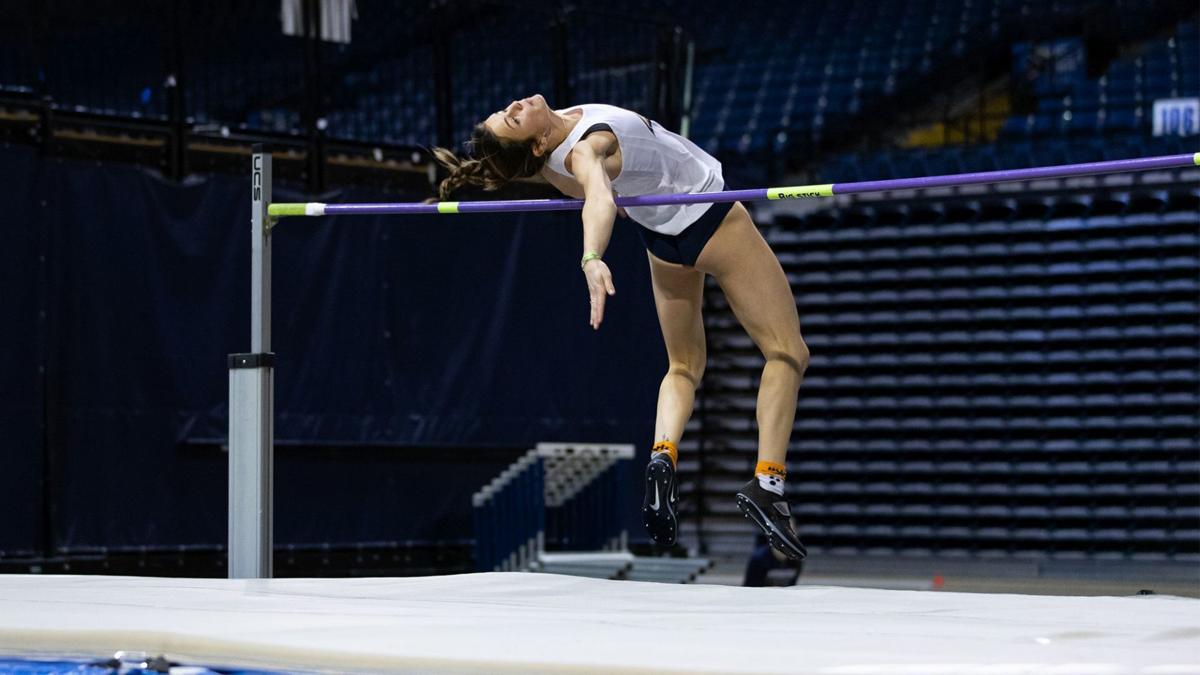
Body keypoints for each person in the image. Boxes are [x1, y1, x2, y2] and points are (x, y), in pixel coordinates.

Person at [433, 95, 808, 560]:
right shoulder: (583, 150)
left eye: (506, 109)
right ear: (535, 145)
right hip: (712, 218)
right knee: (785, 351)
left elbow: (604, 195)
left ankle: (662, 455)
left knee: (684, 364)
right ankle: (768, 483)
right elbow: (598, 198)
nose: (515, 103)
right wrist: (592, 257)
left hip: (663, 243)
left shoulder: (554, 162)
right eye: (512, 118)